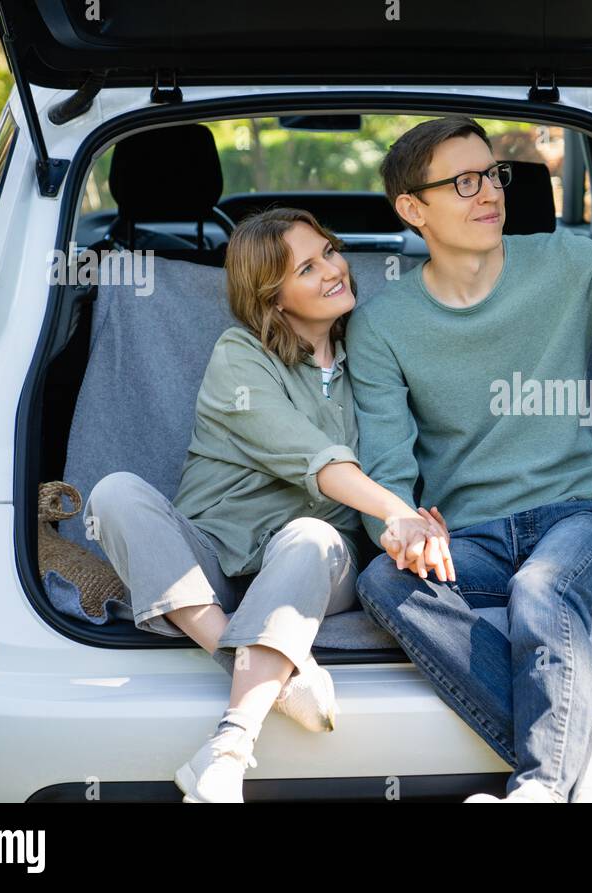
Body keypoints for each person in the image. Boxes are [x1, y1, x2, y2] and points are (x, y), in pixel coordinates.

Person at [347, 116, 592, 802]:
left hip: (577, 520)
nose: (490, 193)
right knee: (384, 581)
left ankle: (542, 786)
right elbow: (387, 469)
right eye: (464, 181)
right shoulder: (381, 323)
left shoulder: (570, 262)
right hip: (468, 538)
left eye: (493, 174)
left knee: (540, 590)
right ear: (413, 209)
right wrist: (404, 528)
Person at [84, 207, 452, 803]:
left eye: (329, 251)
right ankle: (270, 678)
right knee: (114, 493)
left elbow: (402, 452)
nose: (335, 270)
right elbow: (313, 456)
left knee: (312, 535)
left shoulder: (373, 357)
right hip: (212, 567)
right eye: (307, 268)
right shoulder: (240, 355)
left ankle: (228, 747)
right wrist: (396, 512)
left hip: (311, 572)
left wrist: (415, 516)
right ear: (273, 299)